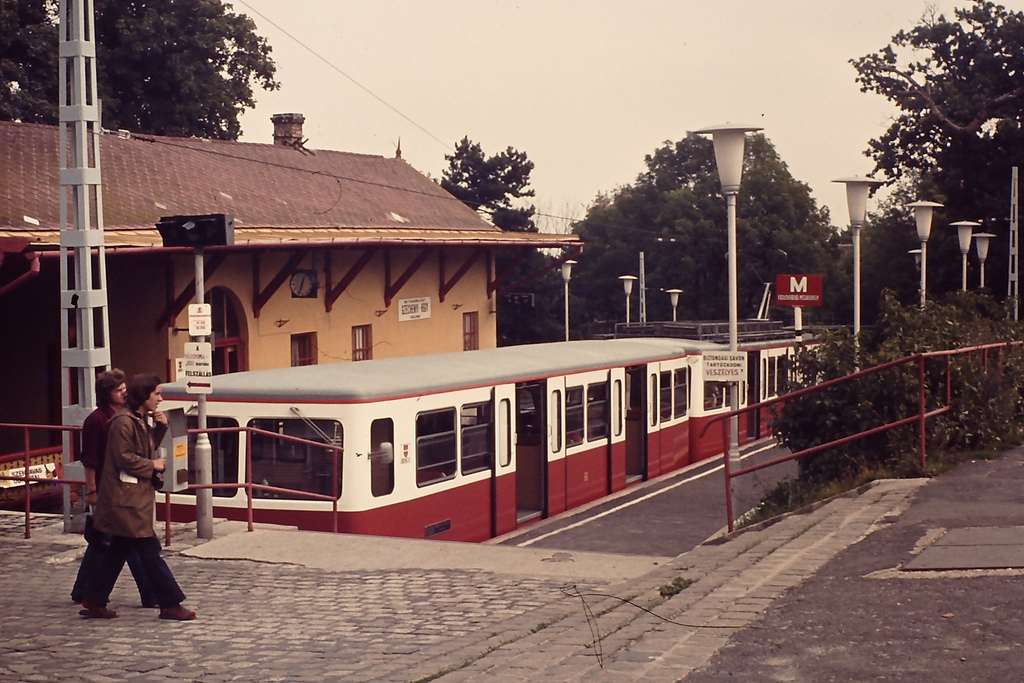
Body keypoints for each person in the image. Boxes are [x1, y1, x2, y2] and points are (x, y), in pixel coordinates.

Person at [78, 374, 196, 621]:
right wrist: (153, 465)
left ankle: (94, 598)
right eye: (157, 394)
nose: (160, 399)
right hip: (126, 500)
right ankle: (170, 603)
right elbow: (125, 458)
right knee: (150, 551)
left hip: (132, 498)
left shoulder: (137, 419)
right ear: (144, 395)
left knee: (118, 550)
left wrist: (161, 427)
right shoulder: (123, 422)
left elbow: (142, 447)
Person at [70, 369, 156, 607]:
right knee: (125, 541)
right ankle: (149, 592)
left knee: (105, 542)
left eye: (124, 388)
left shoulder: (129, 416)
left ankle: (85, 590)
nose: (124, 393)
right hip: (109, 488)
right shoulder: (97, 420)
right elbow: (90, 459)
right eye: (118, 390)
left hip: (125, 487)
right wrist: (92, 490)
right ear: (106, 394)